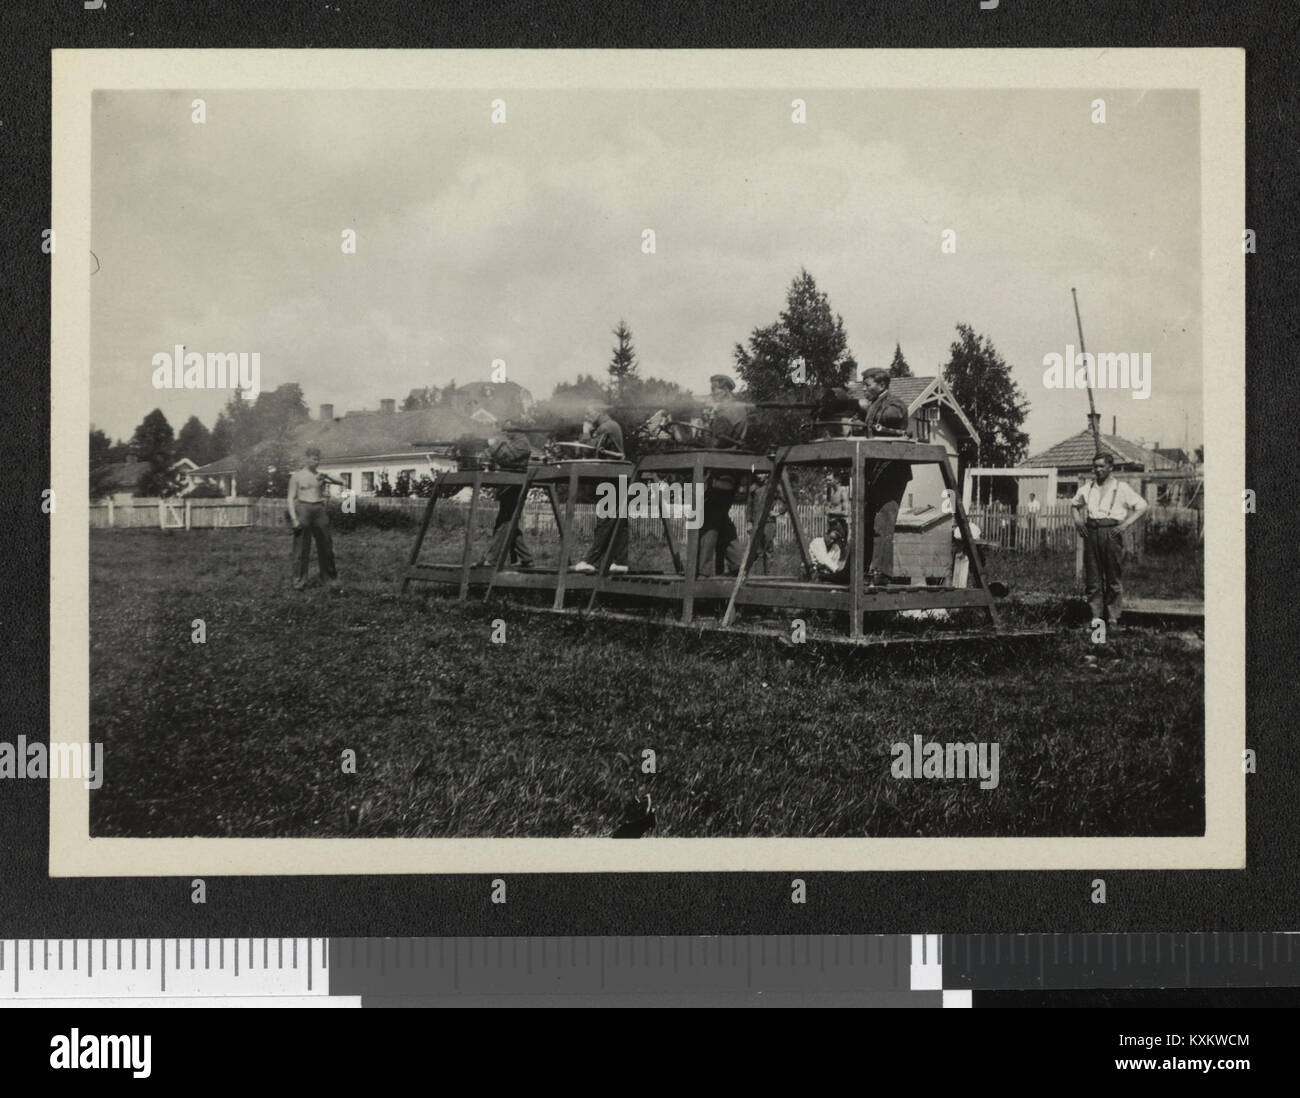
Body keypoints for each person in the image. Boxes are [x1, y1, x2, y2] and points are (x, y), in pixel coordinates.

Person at [1071, 451, 1149, 625]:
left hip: (1112, 533)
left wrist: (1125, 524)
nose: (1097, 470)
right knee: (1093, 578)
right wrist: (1078, 523)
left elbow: (1142, 506)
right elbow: (1074, 505)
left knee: (1113, 576)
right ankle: (1096, 616)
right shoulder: (1087, 488)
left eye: (1101, 466)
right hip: (1091, 533)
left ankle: (1113, 616)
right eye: (1095, 466)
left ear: (1110, 467)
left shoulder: (1121, 488)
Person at [858, 367, 912, 585]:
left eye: (867, 384)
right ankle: (866, 571)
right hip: (876, 472)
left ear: (881, 385)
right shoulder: (873, 406)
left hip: (892, 471)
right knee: (868, 522)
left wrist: (864, 413)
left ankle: (881, 574)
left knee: (883, 523)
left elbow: (893, 416)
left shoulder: (893, 403)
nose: (863, 388)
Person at [696, 374, 750, 577]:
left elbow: (713, 445)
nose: (712, 393)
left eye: (714, 389)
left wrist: (706, 424)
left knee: (710, 520)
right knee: (721, 520)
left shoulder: (725, 413)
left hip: (720, 474)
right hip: (732, 474)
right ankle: (737, 566)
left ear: (725, 390)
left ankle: (702, 571)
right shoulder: (740, 409)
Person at [571, 403, 630, 575]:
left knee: (605, 520)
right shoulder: (610, 426)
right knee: (618, 521)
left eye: (589, 413)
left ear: (599, 412)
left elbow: (589, 450)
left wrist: (586, 431)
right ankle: (620, 561)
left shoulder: (606, 427)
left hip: (611, 477)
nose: (586, 416)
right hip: (617, 477)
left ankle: (592, 561)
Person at [287, 446, 343, 592]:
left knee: (326, 545)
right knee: (301, 548)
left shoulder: (321, 476)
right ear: (306, 458)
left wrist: (328, 476)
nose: (316, 461)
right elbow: (290, 498)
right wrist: (294, 518)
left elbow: (341, 481)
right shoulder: (297, 476)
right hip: (303, 508)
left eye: (318, 459)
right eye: (313, 458)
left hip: (319, 509)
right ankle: (299, 582)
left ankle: (330, 579)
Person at [480, 433, 535, 569]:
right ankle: (527, 559)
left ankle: (492, 559)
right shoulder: (507, 441)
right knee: (508, 523)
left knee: (506, 523)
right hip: (507, 485)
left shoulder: (522, 442)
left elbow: (509, 457)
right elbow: (495, 460)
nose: (504, 430)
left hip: (515, 485)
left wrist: (493, 446)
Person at [808, 513, 849, 583]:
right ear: (826, 535)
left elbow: (833, 564)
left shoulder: (836, 549)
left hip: (824, 574)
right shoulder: (817, 542)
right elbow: (824, 560)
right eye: (831, 538)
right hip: (811, 572)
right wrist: (838, 570)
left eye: (835, 540)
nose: (831, 541)